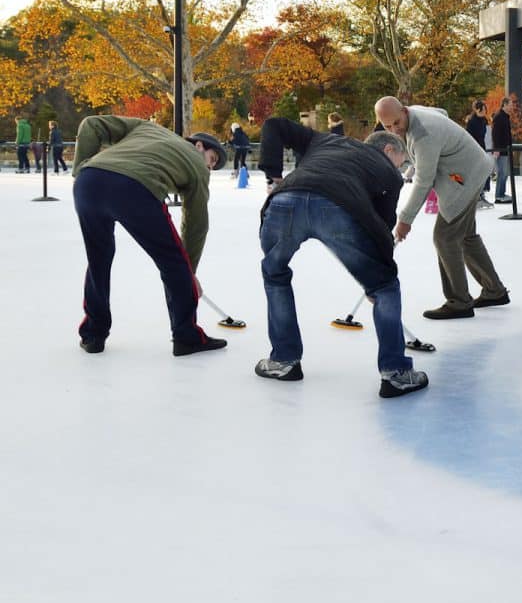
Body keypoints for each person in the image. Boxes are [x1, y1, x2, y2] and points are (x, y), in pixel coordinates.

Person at [253, 118, 427, 398]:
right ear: (388, 151)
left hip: (285, 202)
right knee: (386, 288)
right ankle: (396, 373)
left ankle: (283, 361)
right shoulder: (389, 173)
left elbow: (273, 124)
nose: (401, 168)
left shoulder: (322, 139)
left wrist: (273, 174)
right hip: (338, 207)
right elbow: (381, 227)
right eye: (401, 160)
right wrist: (378, 278)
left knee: (275, 275)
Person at [70, 115, 229, 356]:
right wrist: (189, 273)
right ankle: (187, 336)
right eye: (212, 159)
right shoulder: (197, 168)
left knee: (98, 259)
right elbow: (196, 225)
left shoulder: (147, 127)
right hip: (135, 188)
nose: (209, 167)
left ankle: (93, 334)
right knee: (173, 261)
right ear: (199, 145)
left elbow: (91, 124)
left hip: (88, 183)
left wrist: (81, 167)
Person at [374, 96, 510, 318]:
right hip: (468, 171)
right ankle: (494, 290)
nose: (394, 130)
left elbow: (424, 180)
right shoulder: (414, 112)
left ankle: (459, 302)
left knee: (445, 237)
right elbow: (442, 111)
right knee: (465, 236)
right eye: (387, 126)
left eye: (396, 123)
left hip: (466, 177)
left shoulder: (423, 135)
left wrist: (405, 219)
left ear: (404, 111)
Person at [463, 100, 493, 209]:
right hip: (474, 149)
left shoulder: (484, 120)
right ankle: (475, 197)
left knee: (484, 172)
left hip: (482, 148)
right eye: (483, 109)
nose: (485, 112)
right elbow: (468, 137)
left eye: (486, 110)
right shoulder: (472, 121)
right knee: (477, 173)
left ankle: (481, 194)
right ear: (477, 110)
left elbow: (485, 135)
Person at [491, 97, 515, 202]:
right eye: (510, 104)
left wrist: (510, 148)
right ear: (504, 104)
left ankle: (502, 194)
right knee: (502, 173)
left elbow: (507, 135)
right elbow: (495, 134)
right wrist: (497, 149)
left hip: (506, 149)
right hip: (500, 149)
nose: (512, 106)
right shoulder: (499, 117)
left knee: (504, 173)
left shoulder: (505, 116)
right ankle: (499, 196)